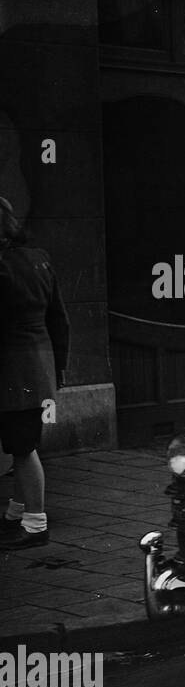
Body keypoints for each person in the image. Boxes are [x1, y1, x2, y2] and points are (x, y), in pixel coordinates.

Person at [0, 196, 69, 549]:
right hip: (39, 368)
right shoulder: (40, 259)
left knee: (23, 447)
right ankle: (16, 512)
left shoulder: (3, 267)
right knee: (21, 443)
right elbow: (60, 320)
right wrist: (58, 371)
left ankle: (35, 523)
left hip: (12, 372)